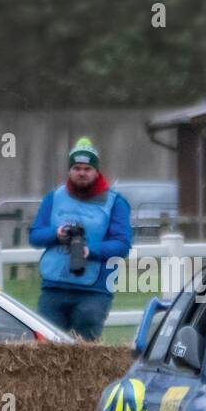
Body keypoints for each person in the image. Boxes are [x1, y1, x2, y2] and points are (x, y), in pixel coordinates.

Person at [29, 137, 132, 340]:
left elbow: (122, 244)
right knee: (46, 348)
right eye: (76, 168)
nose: (82, 173)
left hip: (94, 291)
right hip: (54, 287)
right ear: (69, 171)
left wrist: (89, 250)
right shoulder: (53, 197)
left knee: (84, 350)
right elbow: (35, 235)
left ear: (96, 171)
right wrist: (56, 234)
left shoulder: (116, 202)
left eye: (87, 168)